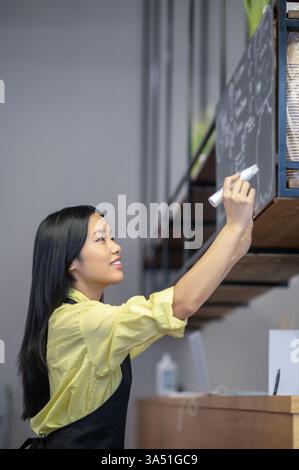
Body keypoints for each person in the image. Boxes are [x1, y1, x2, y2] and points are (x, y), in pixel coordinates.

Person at [18, 172, 255, 449]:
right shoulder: (82, 323)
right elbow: (180, 303)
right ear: (71, 261)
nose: (116, 247)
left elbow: (171, 312)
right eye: (101, 240)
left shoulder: (83, 321)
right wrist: (232, 228)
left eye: (112, 237)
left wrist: (235, 245)